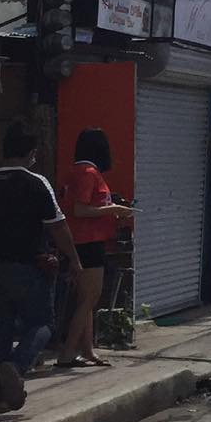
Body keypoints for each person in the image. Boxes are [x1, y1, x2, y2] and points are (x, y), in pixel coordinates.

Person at [0, 123, 80, 413]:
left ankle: (2, 398)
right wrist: (75, 260)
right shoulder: (37, 184)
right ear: (31, 153)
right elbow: (58, 227)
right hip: (29, 269)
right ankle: (17, 365)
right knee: (42, 324)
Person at [57, 127, 133, 369]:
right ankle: (68, 353)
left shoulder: (74, 172)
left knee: (85, 299)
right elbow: (80, 210)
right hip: (88, 242)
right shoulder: (89, 173)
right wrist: (114, 210)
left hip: (79, 241)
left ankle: (87, 350)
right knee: (90, 297)